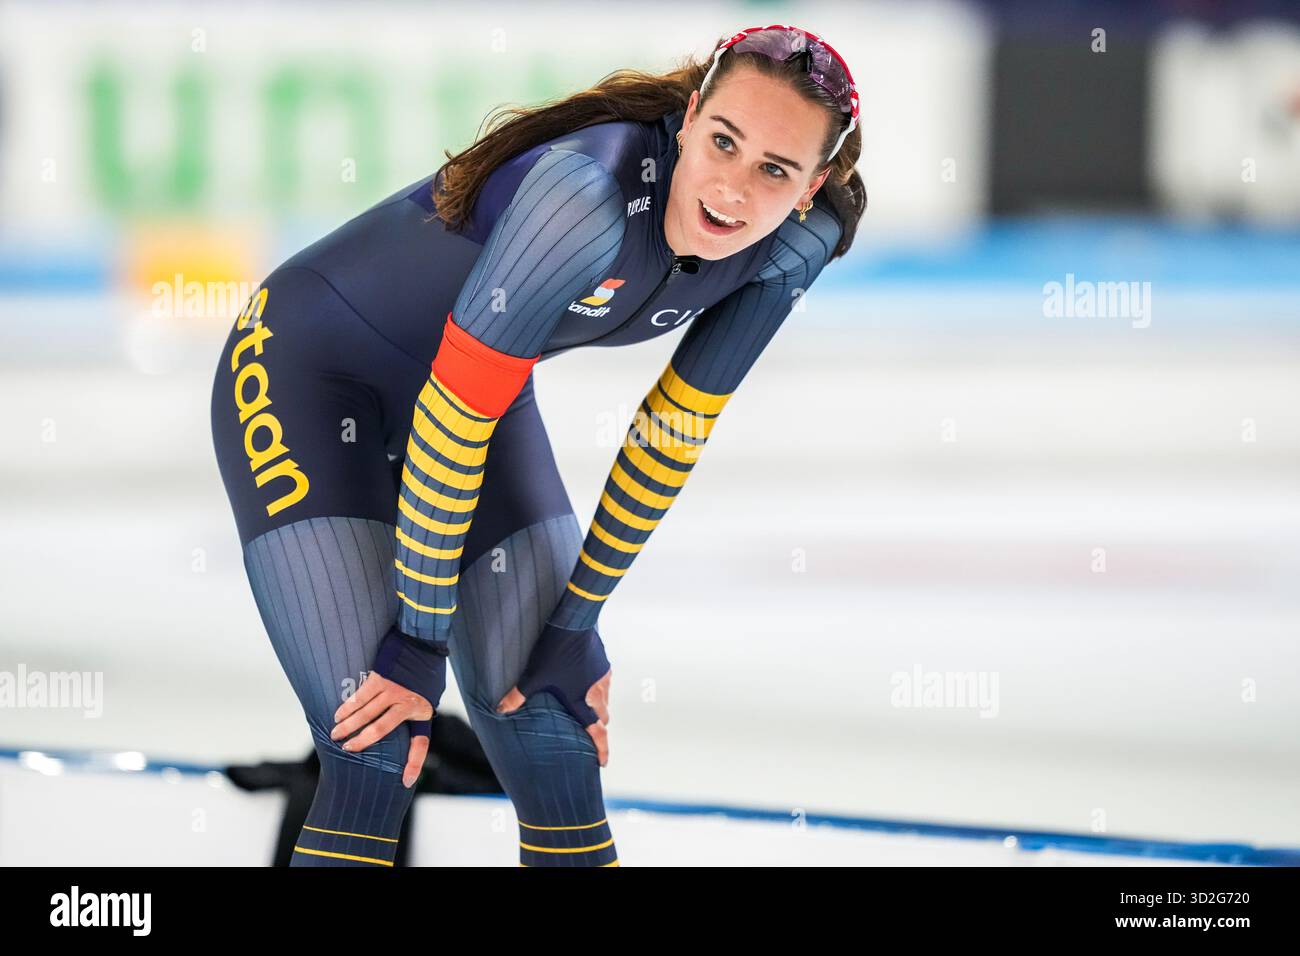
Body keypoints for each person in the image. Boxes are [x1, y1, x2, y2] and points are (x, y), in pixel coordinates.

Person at [209, 23, 866, 867]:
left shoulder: (794, 248)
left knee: (549, 722)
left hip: (468, 401)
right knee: (377, 743)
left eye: (775, 171)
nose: (733, 191)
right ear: (691, 112)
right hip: (305, 374)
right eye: (723, 142)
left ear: (813, 187)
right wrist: (418, 642)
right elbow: (452, 421)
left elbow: (670, 433)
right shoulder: (583, 197)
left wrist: (574, 625)